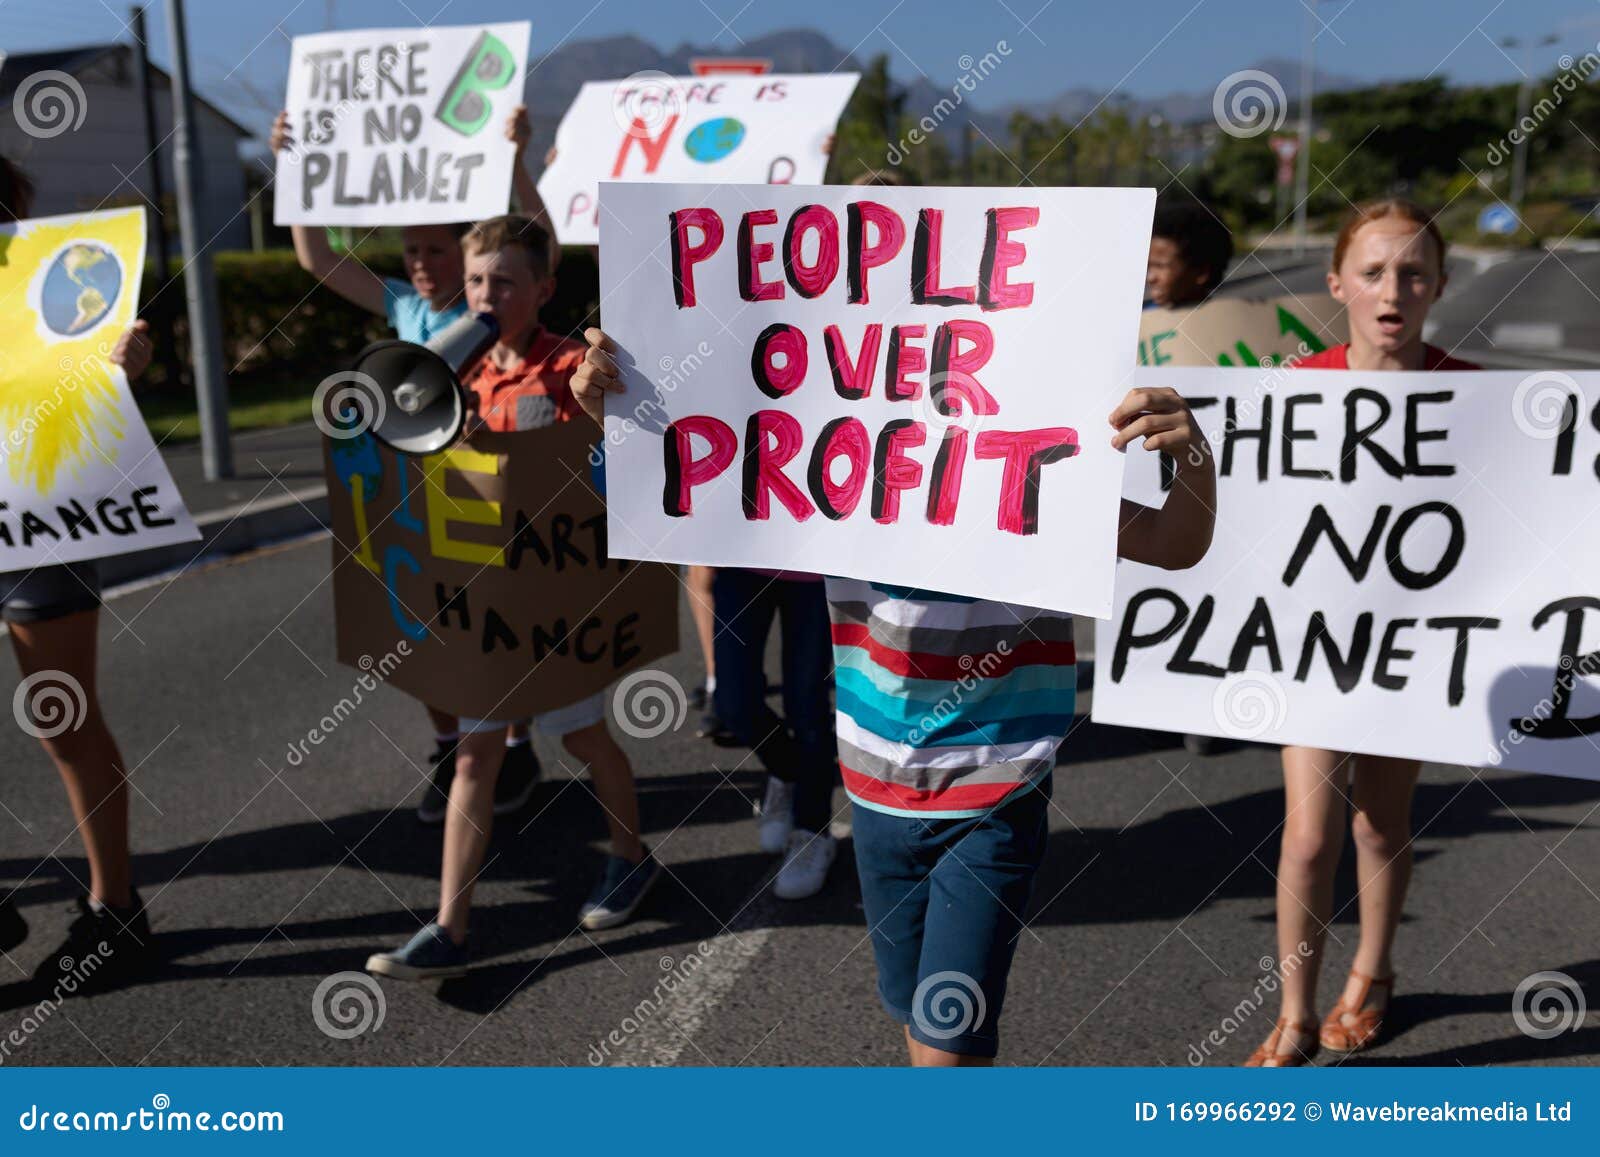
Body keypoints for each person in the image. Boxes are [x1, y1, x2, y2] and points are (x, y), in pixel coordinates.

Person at [567, 329, 1217, 1065]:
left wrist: (1191, 453)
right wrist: (614, 415)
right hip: (874, 792)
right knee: (915, 1020)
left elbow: (1175, 541)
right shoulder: (838, 476)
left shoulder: (1043, 472)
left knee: (946, 1049)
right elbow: (685, 488)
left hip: (992, 792)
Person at [365, 216, 659, 981]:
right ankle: (449, 925)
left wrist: (596, 413)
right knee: (473, 757)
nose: (485, 294)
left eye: (502, 281)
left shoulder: (569, 365)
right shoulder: (457, 371)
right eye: (474, 281)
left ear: (543, 290)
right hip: (487, 600)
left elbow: (604, 465)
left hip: (557, 599)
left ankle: (631, 856)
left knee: (585, 740)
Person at [269, 106, 553, 822]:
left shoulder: (499, 302)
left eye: (435, 250)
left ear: (464, 258)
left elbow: (540, 243)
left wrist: (517, 157)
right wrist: (293, 164)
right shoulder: (402, 308)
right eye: (411, 253)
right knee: (418, 625)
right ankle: (452, 741)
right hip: (417, 487)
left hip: (488, 484)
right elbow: (316, 259)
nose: (421, 263)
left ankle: (514, 744)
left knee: (493, 624)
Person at [1246, 199, 1477, 1067]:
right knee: (1309, 834)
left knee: (1380, 826)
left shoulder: (1480, 393)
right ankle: (1296, 1013)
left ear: (1440, 287)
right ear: (1337, 283)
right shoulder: (1293, 389)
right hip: (1315, 644)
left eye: (1413, 273)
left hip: (1414, 648)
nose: (1394, 290)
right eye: (1374, 272)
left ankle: (1373, 972)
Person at [0, 153, 160, 993]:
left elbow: (76, 382)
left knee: (61, 715)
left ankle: (115, 913)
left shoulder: (44, 274)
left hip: (34, 512)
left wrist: (117, 370)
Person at [1143, 196, 1234, 757]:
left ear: (1200, 272)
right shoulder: (1132, 328)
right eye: (1146, 262)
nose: (1150, 274)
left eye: (1162, 263)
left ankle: (1206, 695)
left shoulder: (1235, 336)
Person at [713, 568, 840, 898]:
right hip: (743, 558)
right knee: (733, 704)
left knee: (807, 704)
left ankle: (812, 829)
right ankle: (787, 772)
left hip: (817, 569)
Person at [1144, 197, 1233, 310]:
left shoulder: (1223, 322)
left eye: (1160, 266)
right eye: (1149, 267)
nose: (1150, 278)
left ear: (1201, 272)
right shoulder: (1144, 321)